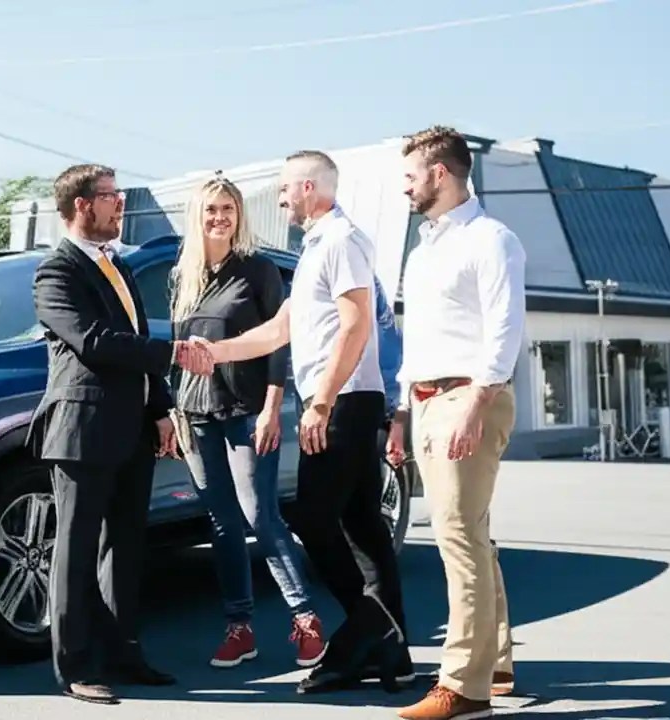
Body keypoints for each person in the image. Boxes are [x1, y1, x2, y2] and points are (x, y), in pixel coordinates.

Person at [189, 150, 411, 695]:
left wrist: (321, 402)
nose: (281, 197)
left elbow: (356, 325)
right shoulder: (316, 247)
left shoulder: (342, 242)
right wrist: (212, 353)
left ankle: (366, 631)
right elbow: (277, 331)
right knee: (363, 529)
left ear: (310, 187)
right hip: (342, 401)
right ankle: (392, 654)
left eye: (286, 188)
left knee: (312, 519)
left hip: (343, 403)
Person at [26, 163, 208, 705]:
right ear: (81, 205)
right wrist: (173, 354)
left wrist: (160, 409)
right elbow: (96, 342)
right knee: (76, 551)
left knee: (125, 548)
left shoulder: (118, 267)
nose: (120, 204)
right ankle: (76, 667)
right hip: (82, 430)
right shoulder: (56, 273)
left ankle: (123, 653)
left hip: (132, 429)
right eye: (110, 196)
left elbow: (132, 341)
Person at [389, 126, 526, 720]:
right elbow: (419, 339)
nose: (406, 186)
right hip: (425, 400)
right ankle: (492, 663)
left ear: (440, 173)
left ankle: (462, 689)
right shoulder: (425, 249)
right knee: (473, 531)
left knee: (458, 540)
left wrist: (474, 404)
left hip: (468, 397)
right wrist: (401, 411)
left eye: (412, 175)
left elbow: (504, 329)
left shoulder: (491, 240)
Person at [166, 173, 326, 670]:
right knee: (222, 523)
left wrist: (272, 407)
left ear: (239, 216)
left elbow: (280, 340)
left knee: (260, 515)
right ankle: (240, 628)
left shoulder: (257, 271)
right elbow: (178, 353)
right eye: (211, 209)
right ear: (198, 215)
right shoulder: (183, 276)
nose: (220, 217)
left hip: (247, 412)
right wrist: (170, 413)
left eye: (228, 209)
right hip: (196, 414)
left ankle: (305, 621)